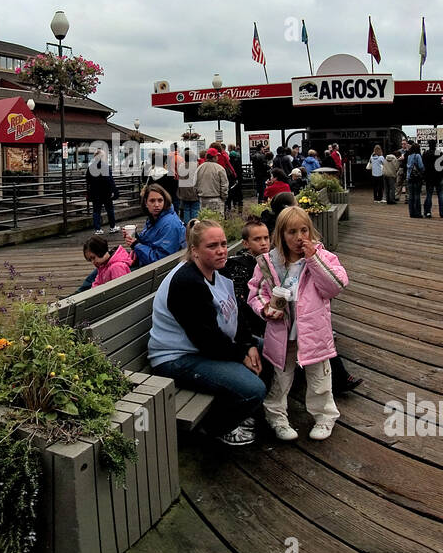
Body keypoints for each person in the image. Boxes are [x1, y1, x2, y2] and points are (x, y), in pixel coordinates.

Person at [146, 218, 269, 447]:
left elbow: (237, 314)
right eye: (212, 246)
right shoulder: (187, 282)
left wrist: (248, 345)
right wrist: (242, 355)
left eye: (223, 244)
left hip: (206, 347)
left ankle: (249, 411)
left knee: (270, 349)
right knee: (253, 390)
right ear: (194, 251)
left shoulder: (217, 272)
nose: (221, 251)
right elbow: (207, 340)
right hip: (177, 358)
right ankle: (214, 429)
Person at [249, 204, 349, 441]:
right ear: (281, 235)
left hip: (314, 332)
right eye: (292, 232)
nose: (299, 237)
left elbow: (335, 286)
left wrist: (313, 259)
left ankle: (325, 417)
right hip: (281, 333)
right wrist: (266, 309)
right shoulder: (268, 262)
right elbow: (257, 292)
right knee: (281, 378)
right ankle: (276, 417)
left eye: (304, 230)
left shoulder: (323, 257)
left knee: (320, 377)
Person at [125, 182, 187, 267]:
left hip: (160, 271)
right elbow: (149, 243)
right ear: (146, 203)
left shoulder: (170, 224)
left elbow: (160, 259)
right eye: (152, 201)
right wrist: (135, 238)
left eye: (160, 200)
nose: (156, 205)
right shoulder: (155, 218)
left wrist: (136, 245)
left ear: (165, 201)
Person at [85, 141, 117, 228]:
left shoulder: (90, 167)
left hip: (95, 192)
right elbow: (109, 180)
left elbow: (87, 180)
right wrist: (112, 191)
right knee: (110, 210)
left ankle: (98, 229)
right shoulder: (105, 166)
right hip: (106, 193)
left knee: (96, 211)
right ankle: (112, 227)